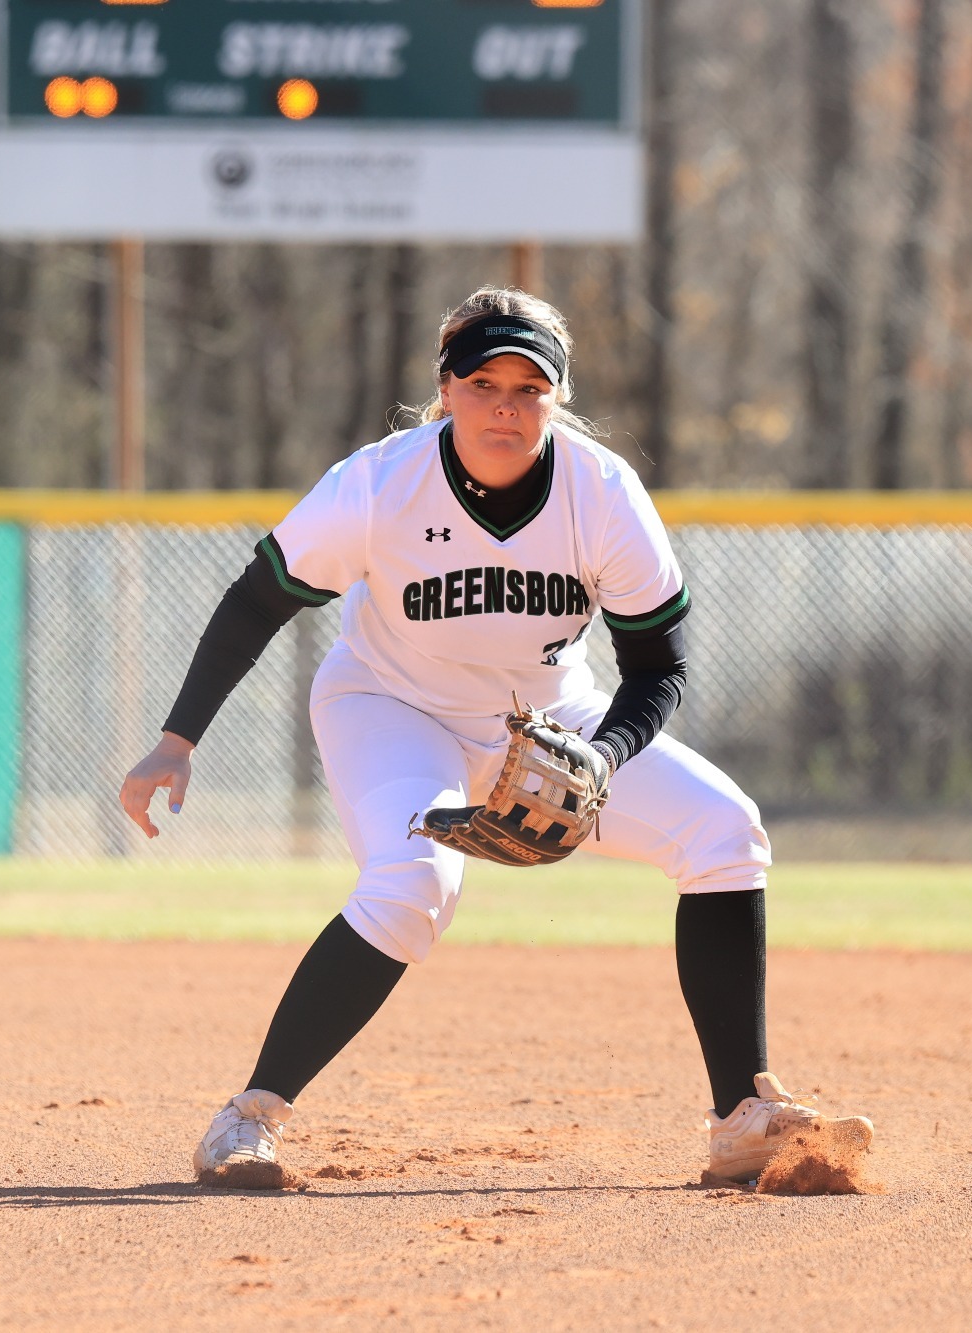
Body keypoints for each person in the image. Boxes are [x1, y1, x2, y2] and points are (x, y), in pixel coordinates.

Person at [118, 286, 871, 1189]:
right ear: (446, 390)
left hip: (557, 720)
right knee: (413, 884)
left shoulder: (601, 493)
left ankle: (740, 1117)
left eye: (529, 388)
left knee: (726, 829)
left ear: (556, 398)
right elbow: (257, 603)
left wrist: (604, 754)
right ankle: (247, 1118)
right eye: (483, 383)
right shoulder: (378, 484)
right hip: (392, 707)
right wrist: (177, 738)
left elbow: (658, 668)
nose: (505, 406)